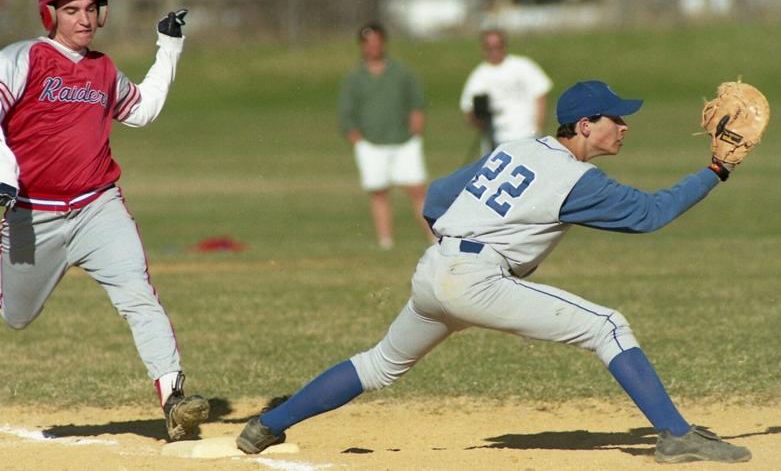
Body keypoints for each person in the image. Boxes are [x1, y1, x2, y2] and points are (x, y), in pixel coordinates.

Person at [236, 80, 751, 464]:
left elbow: (436, 199)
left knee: (379, 365)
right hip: (476, 280)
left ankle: (266, 426)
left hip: (436, 269)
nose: (625, 127)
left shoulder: (518, 148)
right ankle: (676, 436)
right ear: (585, 125)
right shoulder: (577, 179)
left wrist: (466, 247)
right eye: (616, 118)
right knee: (608, 326)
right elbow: (649, 215)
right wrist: (716, 170)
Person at [0, 0, 208, 441]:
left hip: (98, 205)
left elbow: (144, 110)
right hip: (34, 213)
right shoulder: (22, 59)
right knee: (16, 315)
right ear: (49, 15)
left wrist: (169, 48)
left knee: (138, 293)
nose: (84, 18)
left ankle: (173, 398)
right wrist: (3, 176)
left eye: (91, 8)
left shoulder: (104, 69)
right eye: (71, 9)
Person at [338, 22, 435, 250]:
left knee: (417, 189)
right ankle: (386, 241)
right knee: (379, 192)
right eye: (368, 43)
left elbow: (416, 103)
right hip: (371, 143)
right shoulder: (355, 78)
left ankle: (434, 237)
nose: (373, 47)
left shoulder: (401, 72)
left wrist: (416, 130)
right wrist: (356, 139)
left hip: (403, 141)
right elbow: (346, 113)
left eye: (377, 42)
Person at [460, 29, 552, 155]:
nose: (495, 51)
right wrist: (480, 118)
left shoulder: (523, 66)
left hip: (526, 135)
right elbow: (468, 110)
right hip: (496, 141)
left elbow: (540, 96)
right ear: (483, 49)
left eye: (498, 46)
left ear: (505, 46)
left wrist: (538, 129)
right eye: (490, 47)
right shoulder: (479, 76)